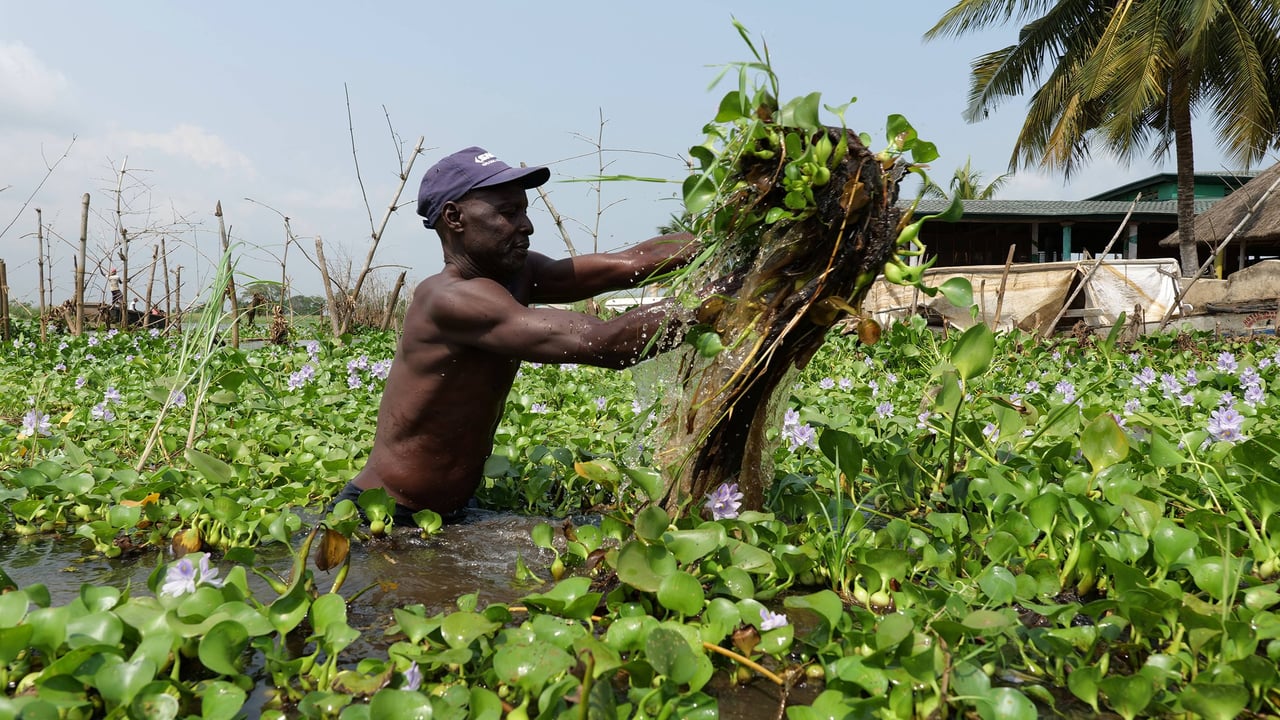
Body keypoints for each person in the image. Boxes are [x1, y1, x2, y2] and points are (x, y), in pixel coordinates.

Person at [333, 146, 700, 524]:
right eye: (508, 213)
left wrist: (715, 237)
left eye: (524, 210)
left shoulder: (518, 274)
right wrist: (710, 303)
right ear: (454, 217)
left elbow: (627, 264)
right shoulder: (448, 300)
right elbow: (602, 342)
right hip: (386, 514)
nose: (526, 225)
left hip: (452, 512)